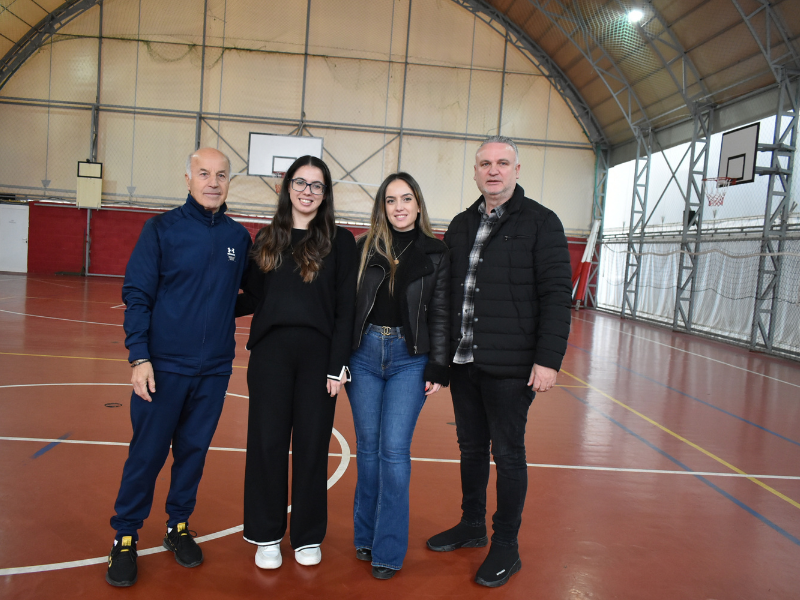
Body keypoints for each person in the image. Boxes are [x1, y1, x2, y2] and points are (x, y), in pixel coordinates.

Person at [426, 136, 572, 587]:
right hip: (465, 360)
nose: (493, 170)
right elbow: (446, 293)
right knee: (470, 448)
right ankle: (471, 525)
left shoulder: (542, 223)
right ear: (475, 172)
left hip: (512, 366)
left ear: (517, 169)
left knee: (507, 454)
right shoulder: (461, 223)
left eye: (502, 163)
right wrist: (441, 356)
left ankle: (505, 544)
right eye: (485, 163)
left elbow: (555, 297)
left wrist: (547, 361)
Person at [106, 148, 252, 587]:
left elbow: (247, 295)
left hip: (213, 371)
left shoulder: (238, 238)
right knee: (147, 454)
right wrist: (139, 356)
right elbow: (137, 294)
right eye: (204, 173)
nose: (213, 182)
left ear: (229, 182)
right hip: (163, 367)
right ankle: (126, 537)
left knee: (192, 454)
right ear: (187, 178)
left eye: (221, 175)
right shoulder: (161, 230)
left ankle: (177, 526)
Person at [236, 155, 357, 570]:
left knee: (311, 446)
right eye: (300, 183)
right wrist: (196, 305)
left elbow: (347, 310)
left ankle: (307, 535)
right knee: (267, 444)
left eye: (316, 185)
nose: (307, 191)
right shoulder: (266, 237)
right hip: (270, 355)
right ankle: (266, 534)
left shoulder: (341, 242)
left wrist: (337, 365)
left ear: (325, 194)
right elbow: (250, 297)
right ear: (287, 187)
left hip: (319, 360)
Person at [346, 173, 450, 580]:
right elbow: (347, 308)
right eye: (391, 200)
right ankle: (366, 535)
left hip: (410, 359)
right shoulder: (363, 248)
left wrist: (440, 366)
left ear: (418, 205)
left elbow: (441, 312)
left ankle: (388, 550)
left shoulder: (437, 254)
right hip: (365, 355)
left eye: (406, 199)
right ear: (382, 207)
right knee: (367, 450)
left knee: (393, 451)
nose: (399, 207)